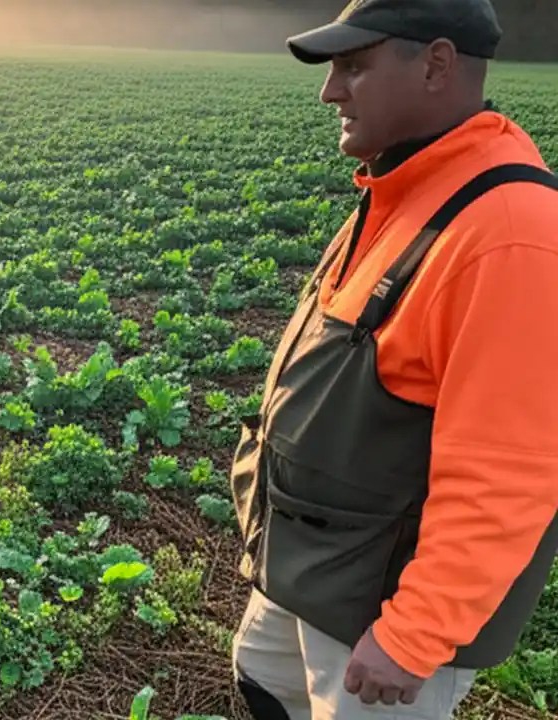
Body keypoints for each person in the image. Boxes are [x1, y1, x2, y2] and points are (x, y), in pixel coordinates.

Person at [227, 0, 558, 718]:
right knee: (263, 685)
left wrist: (416, 633)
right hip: (316, 567)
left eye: (354, 66)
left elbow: (509, 469)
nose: (329, 91)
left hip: (381, 608)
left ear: (436, 64)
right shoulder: (406, 187)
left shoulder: (510, 233)